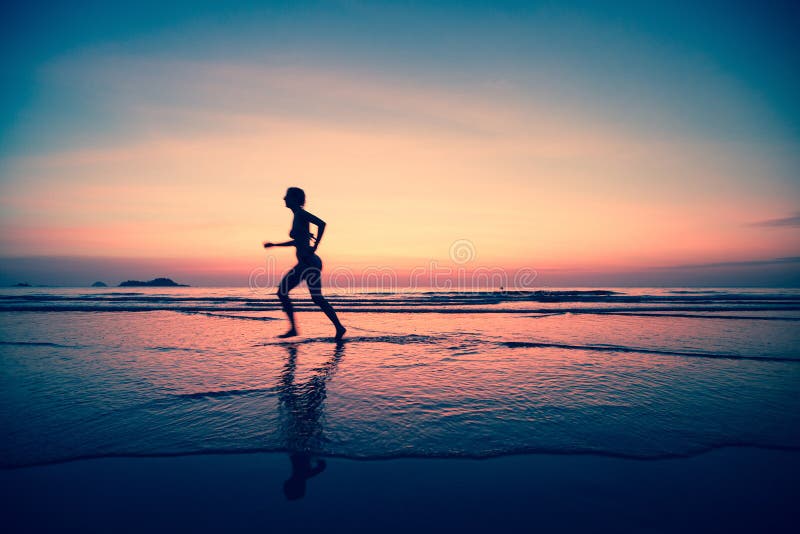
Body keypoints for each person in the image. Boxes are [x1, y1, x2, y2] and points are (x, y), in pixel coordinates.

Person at [263, 187, 346, 340]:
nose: (284, 199)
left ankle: (295, 329)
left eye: (287, 196)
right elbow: (297, 242)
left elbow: (322, 224)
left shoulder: (301, 214)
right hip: (307, 262)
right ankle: (339, 327)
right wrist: (275, 245)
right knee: (315, 298)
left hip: (309, 262)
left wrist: (315, 246)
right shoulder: (297, 216)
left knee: (284, 292)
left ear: (294, 199)